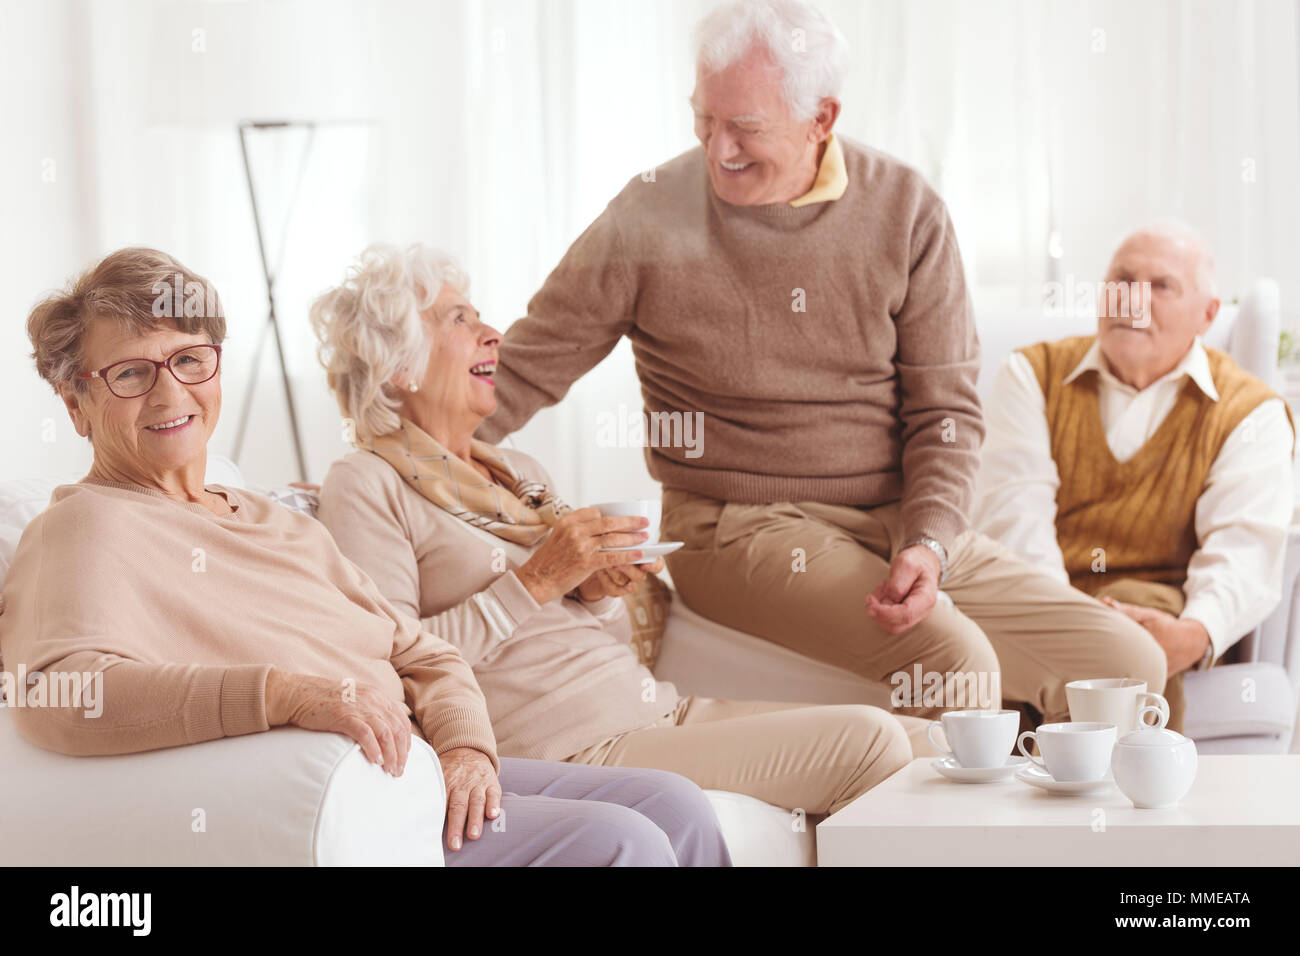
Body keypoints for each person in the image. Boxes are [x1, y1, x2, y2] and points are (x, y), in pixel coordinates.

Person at [473, 0, 1165, 729]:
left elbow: (946, 415)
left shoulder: (904, 209)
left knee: (1130, 666)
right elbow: (521, 369)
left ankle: (1062, 837)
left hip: (896, 517)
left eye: (745, 128)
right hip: (736, 527)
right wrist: (395, 448)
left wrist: (928, 540)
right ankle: (940, 840)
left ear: (822, 118)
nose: (718, 151)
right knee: (956, 661)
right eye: (704, 120)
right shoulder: (647, 217)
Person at [1, 246, 731, 867]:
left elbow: (424, 656)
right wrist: (282, 693)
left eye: (191, 359)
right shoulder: (87, 526)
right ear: (75, 404)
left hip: (425, 772)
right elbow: (58, 692)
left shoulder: (275, 522)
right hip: (360, 803)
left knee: (675, 802)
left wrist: (468, 747)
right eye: (131, 373)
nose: (171, 391)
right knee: (620, 841)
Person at [311, 242, 914, 823]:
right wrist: (537, 580)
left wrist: (598, 593)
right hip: (573, 747)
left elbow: (607, 637)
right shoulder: (368, 483)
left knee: (930, 742)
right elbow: (391, 663)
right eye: (460, 319)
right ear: (398, 367)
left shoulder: (518, 472)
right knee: (870, 741)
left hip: (657, 712)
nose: (493, 333)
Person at [974, 223, 1295, 732]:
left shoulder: (1251, 412)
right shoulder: (1031, 373)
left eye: (1161, 286)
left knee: (1136, 625)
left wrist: (1194, 632)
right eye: (1121, 279)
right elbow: (1014, 520)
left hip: (1163, 611)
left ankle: (1076, 786)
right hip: (1038, 604)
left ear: (1208, 315)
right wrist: (1070, 630)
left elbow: (1244, 549)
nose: (1131, 299)